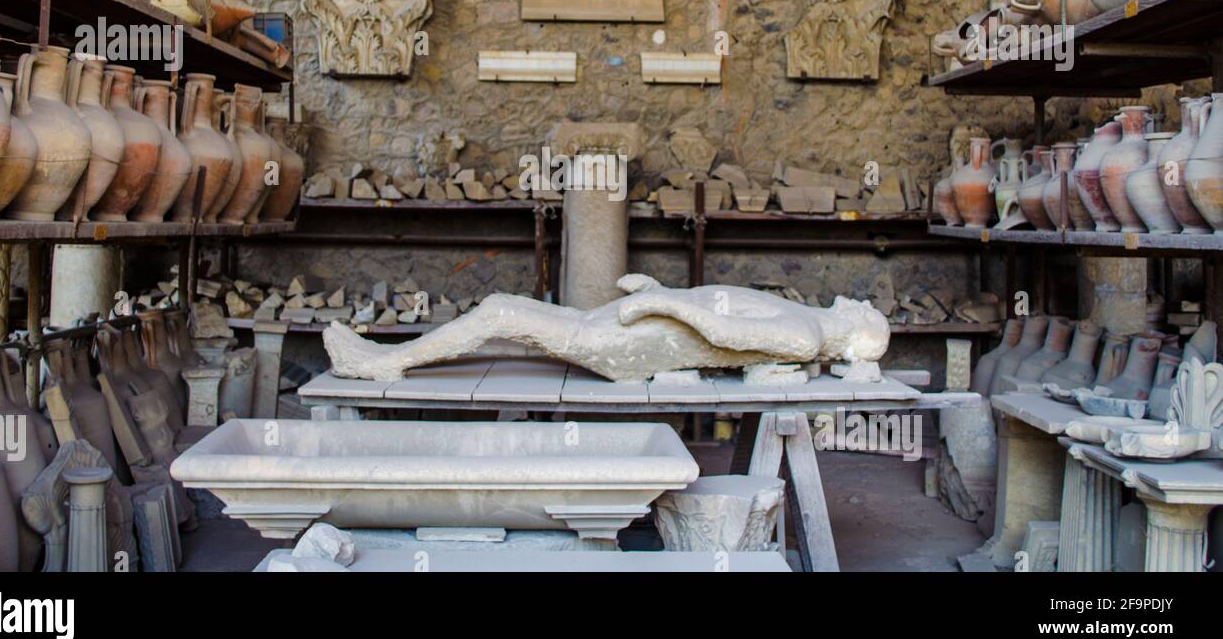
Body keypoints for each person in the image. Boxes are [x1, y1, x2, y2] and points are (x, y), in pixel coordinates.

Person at [324, 274, 890, 383]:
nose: (861, 302)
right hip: (639, 326)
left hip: (627, 344)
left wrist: (663, 301)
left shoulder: (806, 338)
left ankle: (379, 364)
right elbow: (719, 308)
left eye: (868, 312)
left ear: (859, 336)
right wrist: (657, 293)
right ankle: (384, 358)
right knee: (501, 307)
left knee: (500, 314)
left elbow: (724, 332)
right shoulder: (802, 318)